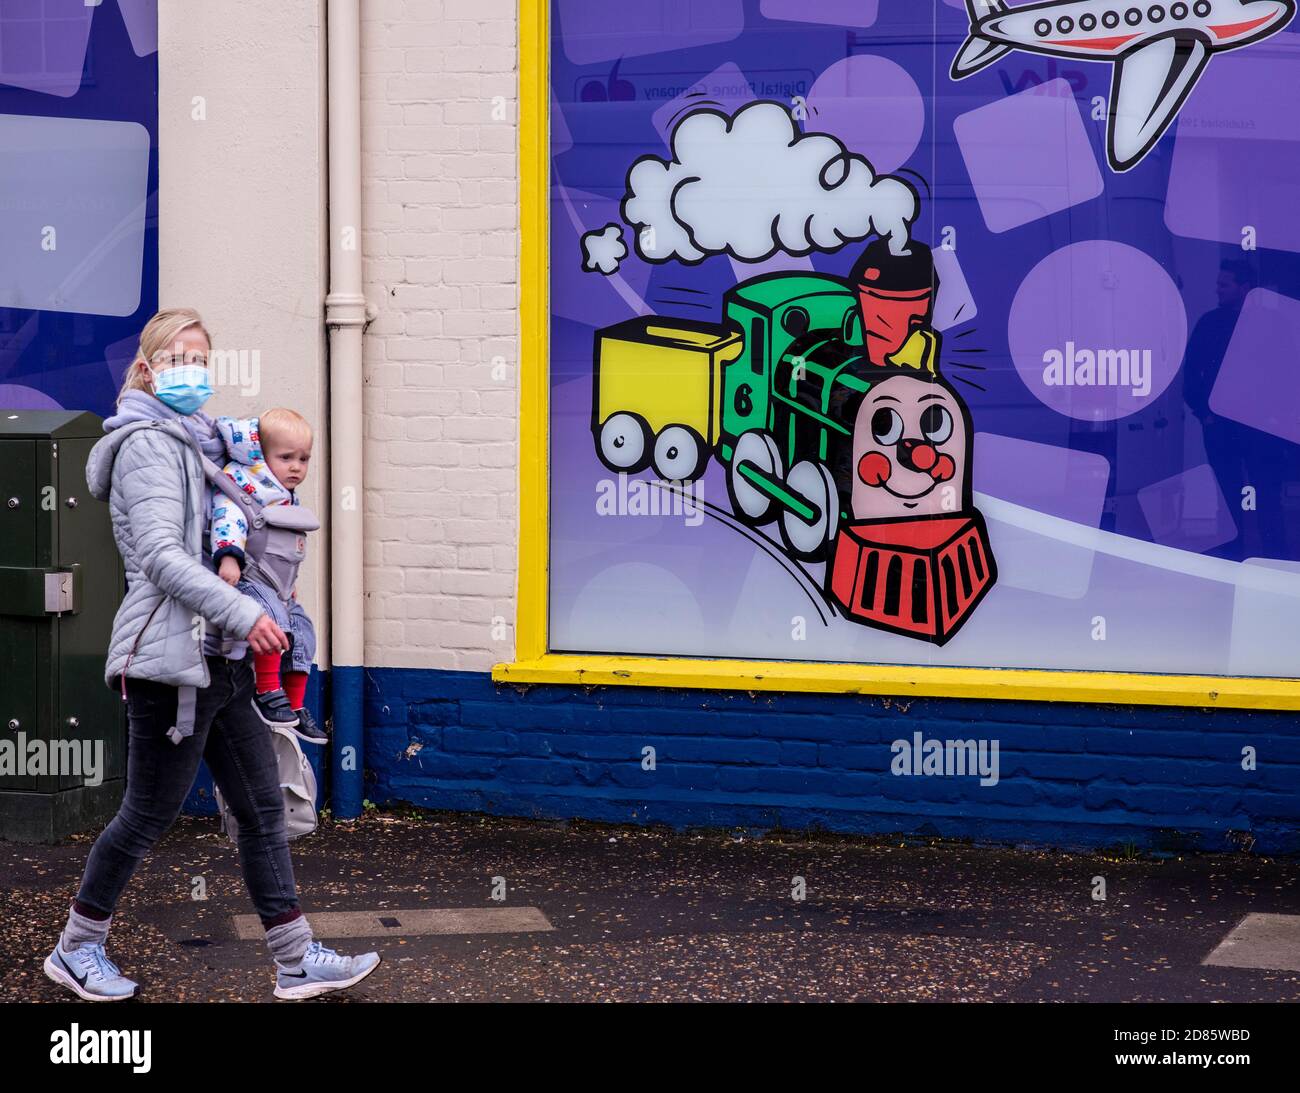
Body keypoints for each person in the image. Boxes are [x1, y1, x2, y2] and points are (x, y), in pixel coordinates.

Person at [43, 308, 379, 1001]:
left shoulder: (197, 442)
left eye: (203, 355)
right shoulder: (147, 446)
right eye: (179, 355)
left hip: (216, 658)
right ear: (146, 367)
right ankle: (76, 948)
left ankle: (293, 959)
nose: (195, 367)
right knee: (144, 815)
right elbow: (165, 559)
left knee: (261, 809)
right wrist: (244, 610)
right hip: (170, 660)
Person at [211, 409, 328, 744]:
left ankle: (293, 704)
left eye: (304, 459)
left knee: (303, 630)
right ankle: (266, 690)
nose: (296, 467)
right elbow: (227, 519)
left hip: (280, 588)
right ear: (261, 455)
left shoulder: (288, 498)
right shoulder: (243, 489)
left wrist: (290, 585)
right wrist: (229, 558)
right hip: (250, 580)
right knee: (273, 622)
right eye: (286, 457)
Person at [1182, 259, 1289, 559]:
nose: (1217, 290)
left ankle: (1275, 560)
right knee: (1228, 496)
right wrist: (1204, 413)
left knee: (1266, 495)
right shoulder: (1210, 323)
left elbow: (1284, 373)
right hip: (1222, 425)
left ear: (1245, 288)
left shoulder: (1271, 324)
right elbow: (1191, 372)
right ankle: (1232, 561)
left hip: (1260, 428)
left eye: (1223, 284)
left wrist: (1276, 418)